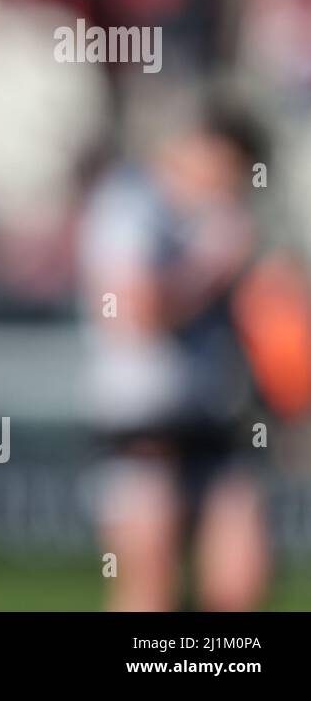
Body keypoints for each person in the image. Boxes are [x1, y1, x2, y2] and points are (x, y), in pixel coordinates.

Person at [78, 95, 271, 611]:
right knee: (148, 586)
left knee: (239, 580)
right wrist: (209, 268)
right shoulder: (129, 205)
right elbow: (130, 313)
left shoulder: (222, 215)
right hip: (140, 422)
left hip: (214, 417)